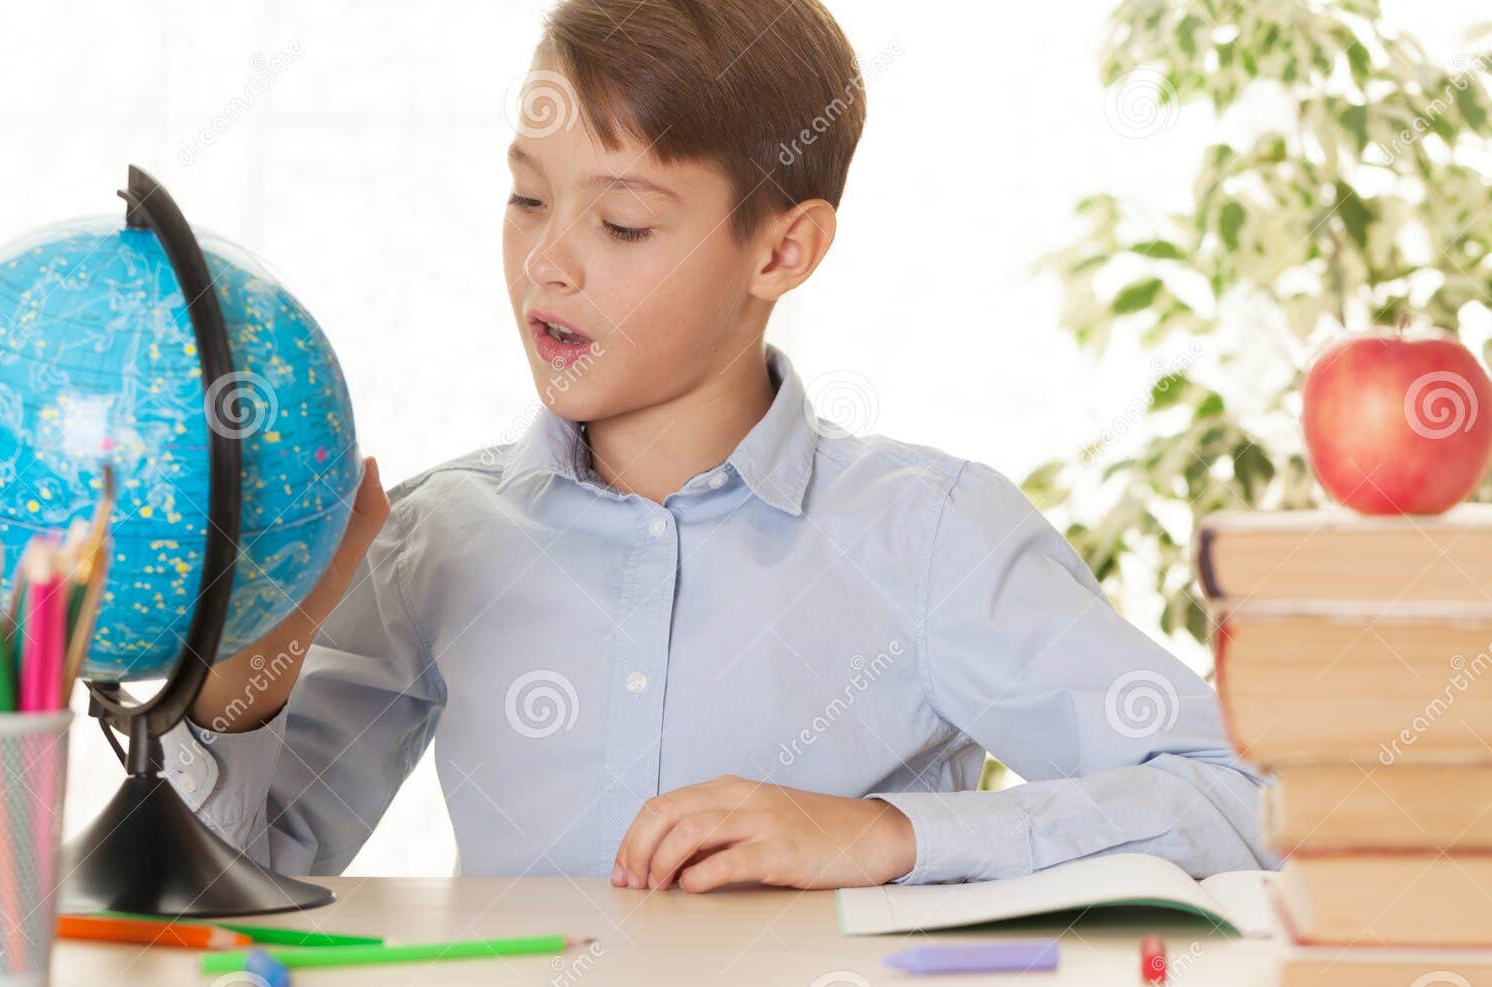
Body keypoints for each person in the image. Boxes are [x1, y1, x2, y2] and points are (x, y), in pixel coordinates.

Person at [165, 0, 1275, 891]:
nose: (546, 263)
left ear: (783, 249)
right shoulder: (436, 539)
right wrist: (252, 663)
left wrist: (889, 835)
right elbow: (219, 883)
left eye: (623, 224)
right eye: (524, 198)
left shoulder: (926, 535)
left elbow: (1249, 797)